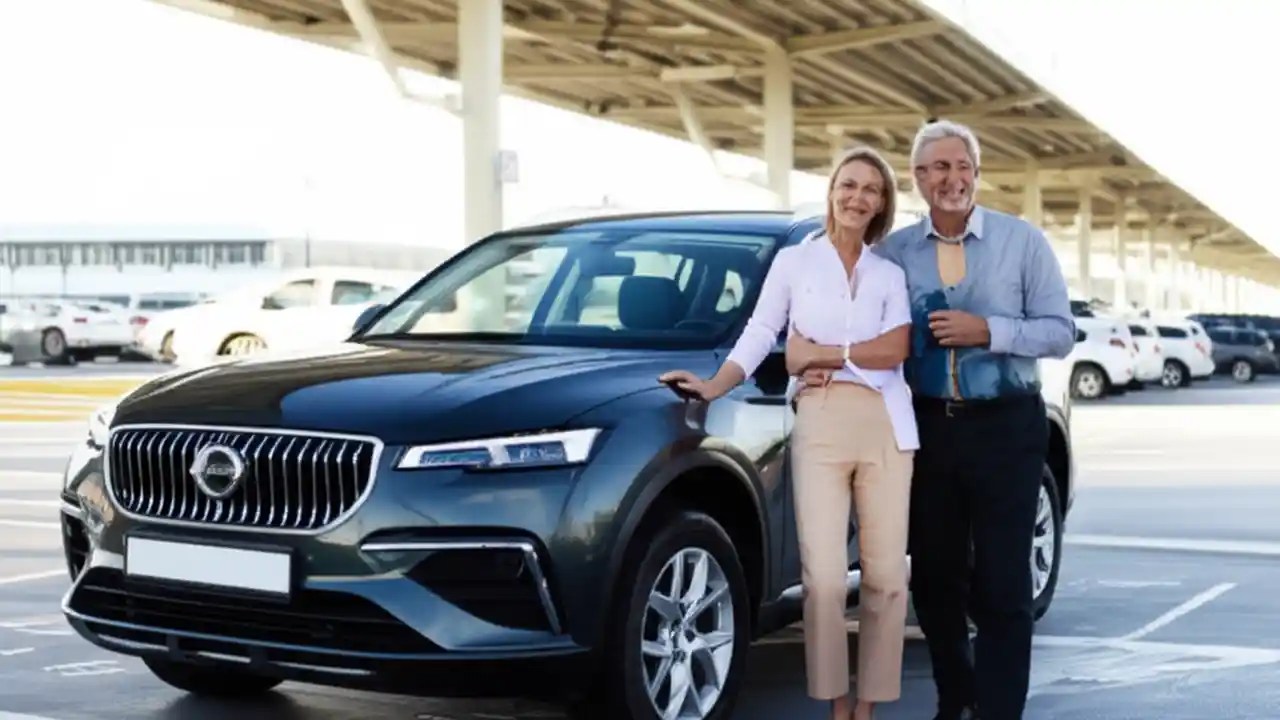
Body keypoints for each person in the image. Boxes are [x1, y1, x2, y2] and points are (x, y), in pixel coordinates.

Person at [802, 120, 1074, 720]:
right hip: (926, 431)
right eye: (938, 168)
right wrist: (818, 364)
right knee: (935, 580)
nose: (952, 178)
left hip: (1008, 427)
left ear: (977, 172)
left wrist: (990, 332)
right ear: (920, 179)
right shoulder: (894, 253)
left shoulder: (1021, 243)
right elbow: (852, 325)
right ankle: (956, 697)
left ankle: (1001, 710)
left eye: (962, 166)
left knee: (1004, 584)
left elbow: (1061, 332)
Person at [658, 146, 918, 720]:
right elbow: (759, 334)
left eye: (871, 190)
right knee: (824, 581)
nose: (858, 197)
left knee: (884, 576)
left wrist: (821, 352)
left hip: (887, 426)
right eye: (848, 185)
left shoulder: (888, 273)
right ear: (832, 191)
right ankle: (834, 703)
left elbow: (895, 349)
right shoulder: (796, 265)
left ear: (882, 204)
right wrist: (712, 385)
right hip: (821, 420)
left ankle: (867, 707)